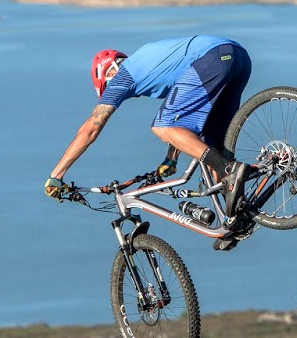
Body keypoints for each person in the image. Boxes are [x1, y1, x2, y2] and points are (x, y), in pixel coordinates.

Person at [44, 35, 254, 214]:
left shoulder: (123, 77)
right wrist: (171, 159)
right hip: (238, 58)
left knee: (161, 127)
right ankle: (237, 217)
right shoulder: (151, 65)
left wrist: (57, 175)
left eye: (107, 88)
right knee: (212, 150)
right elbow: (182, 121)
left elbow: (91, 128)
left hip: (212, 58)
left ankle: (228, 168)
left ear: (108, 73)